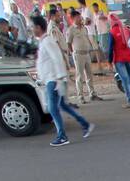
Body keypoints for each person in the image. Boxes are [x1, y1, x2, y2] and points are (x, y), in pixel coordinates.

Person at [32, 13, 93, 146]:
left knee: (53, 109)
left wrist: (60, 79)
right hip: (51, 79)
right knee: (61, 105)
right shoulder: (43, 41)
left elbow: (57, 58)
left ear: (38, 27)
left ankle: (62, 135)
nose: (32, 30)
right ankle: (85, 124)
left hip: (53, 80)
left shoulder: (48, 41)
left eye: (33, 27)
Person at [109, 13, 130, 108]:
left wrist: (109, 61)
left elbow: (110, 48)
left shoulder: (112, 32)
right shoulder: (126, 30)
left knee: (125, 80)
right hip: (129, 57)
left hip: (119, 59)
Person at [67, 9, 99, 103]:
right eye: (77, 17)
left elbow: (87, 39)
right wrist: (73, 52)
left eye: (80, 17)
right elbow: (68, 43)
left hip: (86, 53)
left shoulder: (84, 28)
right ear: (73, 18)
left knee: (89, 75)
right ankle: (80, 96)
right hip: (78, 54)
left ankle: (92, 93)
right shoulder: (71, 30)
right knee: (79, 76)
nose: (80, 18)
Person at [90, 2, 111, 74]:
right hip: (99, 33)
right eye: (93, 8)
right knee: (102, 48)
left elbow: (107, 18)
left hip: (105, 32)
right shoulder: (94, 15)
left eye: (95, 7)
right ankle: (107, 63)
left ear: (97, 7)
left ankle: (109, 62)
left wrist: (102, 16)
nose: (94, 9)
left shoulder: (101, 13)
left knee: (105, 49)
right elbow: (95, 25)